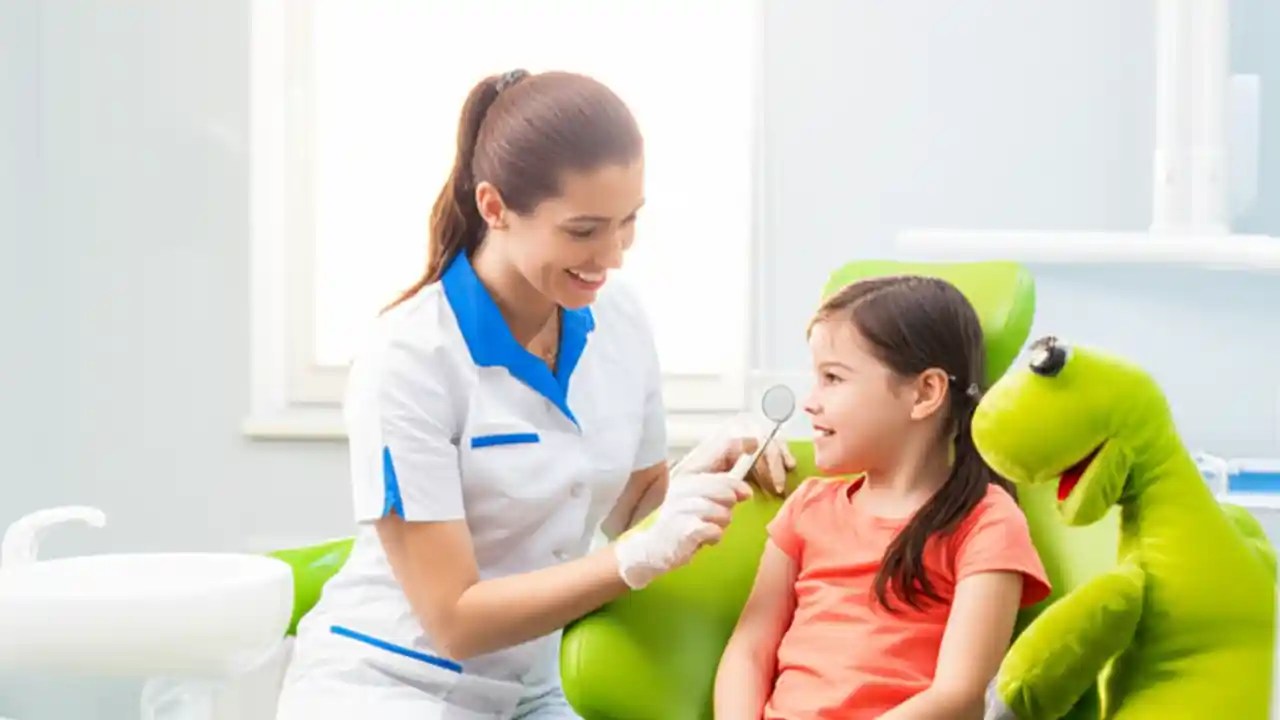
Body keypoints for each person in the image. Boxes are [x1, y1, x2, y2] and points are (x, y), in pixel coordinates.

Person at [274, 69, 794, 719]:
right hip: (391, 684)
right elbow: (454, 619)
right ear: (494, 207)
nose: (613, 255)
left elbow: (632, 506)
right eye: (583, 230)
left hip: (528, 692)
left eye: (627, 223)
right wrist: (630, 561)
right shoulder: (411, 358)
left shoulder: (618, 320)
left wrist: (708, 469)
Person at [713, 276, 1052, 720]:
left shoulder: (986, 522)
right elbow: (750, 649)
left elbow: (959, 695)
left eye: (833, 378)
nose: (809, 403)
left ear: (925, 392)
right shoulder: (808, 507)